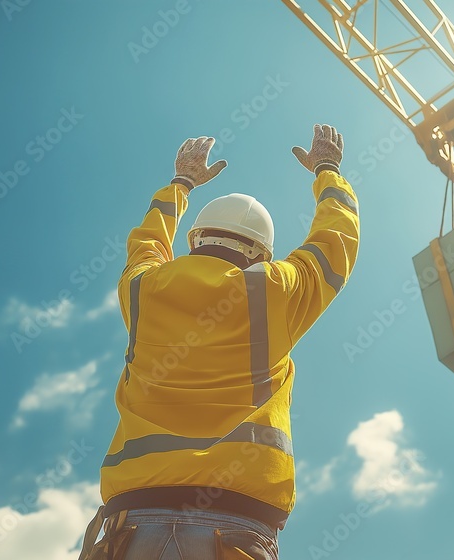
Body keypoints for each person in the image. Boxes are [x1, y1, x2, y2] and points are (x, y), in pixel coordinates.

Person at [77, 124, 360, 560]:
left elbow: (147, 243)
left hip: (131, 524)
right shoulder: (276, 289)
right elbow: (335, 242)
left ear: (195, 239)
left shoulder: (143, 288)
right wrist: (327, 171)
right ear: (261, 252)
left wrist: (181, 183)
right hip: (236, 529)